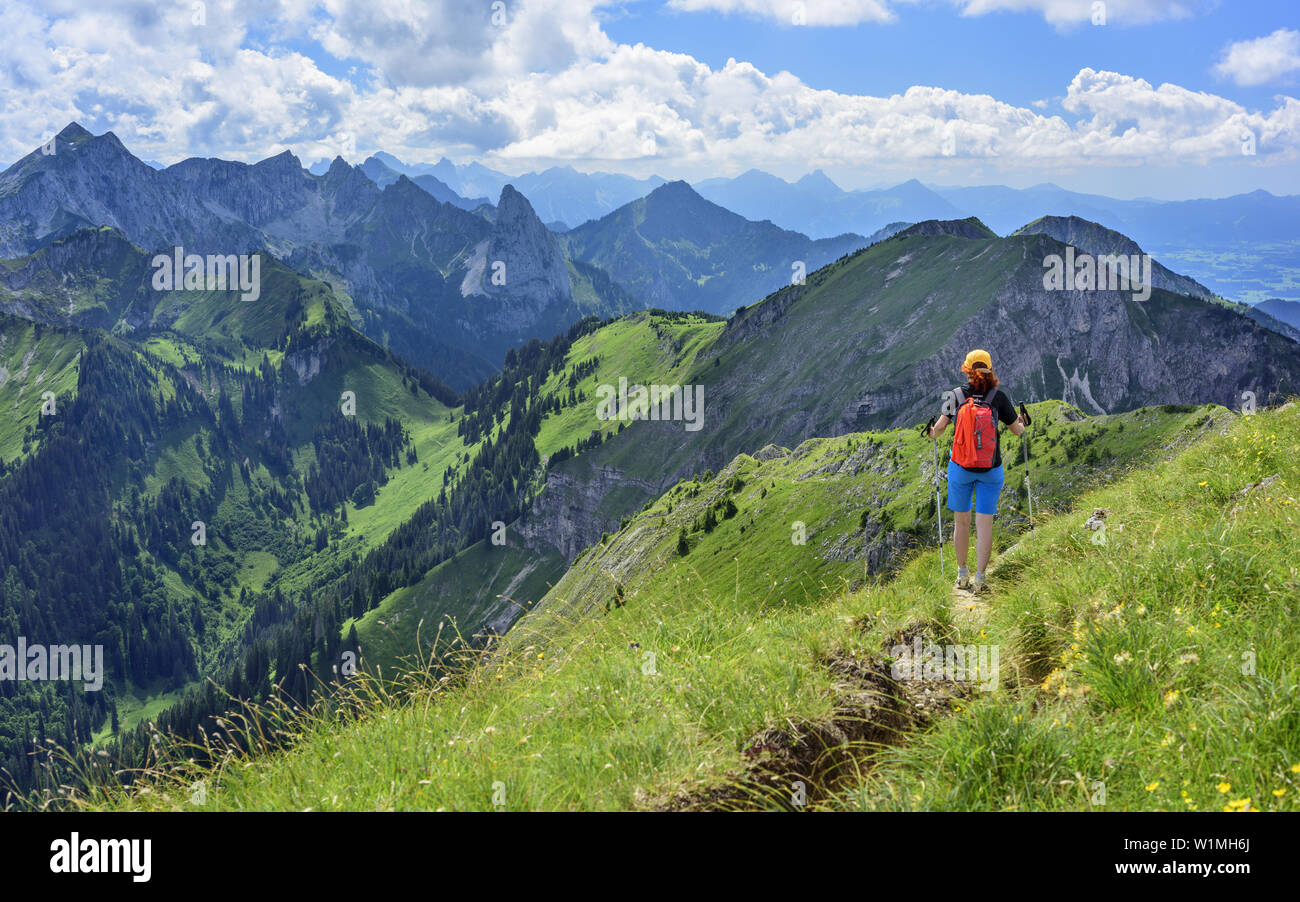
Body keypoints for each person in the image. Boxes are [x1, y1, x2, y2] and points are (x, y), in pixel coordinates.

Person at [927, 349, 1026, 594]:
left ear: (967, 370)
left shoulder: (955, 395)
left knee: (961, 524)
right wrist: (1024, 422)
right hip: (991, 470)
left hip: (960, 468)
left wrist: (929, 432)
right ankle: (981, 579)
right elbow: (1017, 430)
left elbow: (938, 430)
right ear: (990, 369)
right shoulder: (999, 397)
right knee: (985, 525)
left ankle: (962, 576)